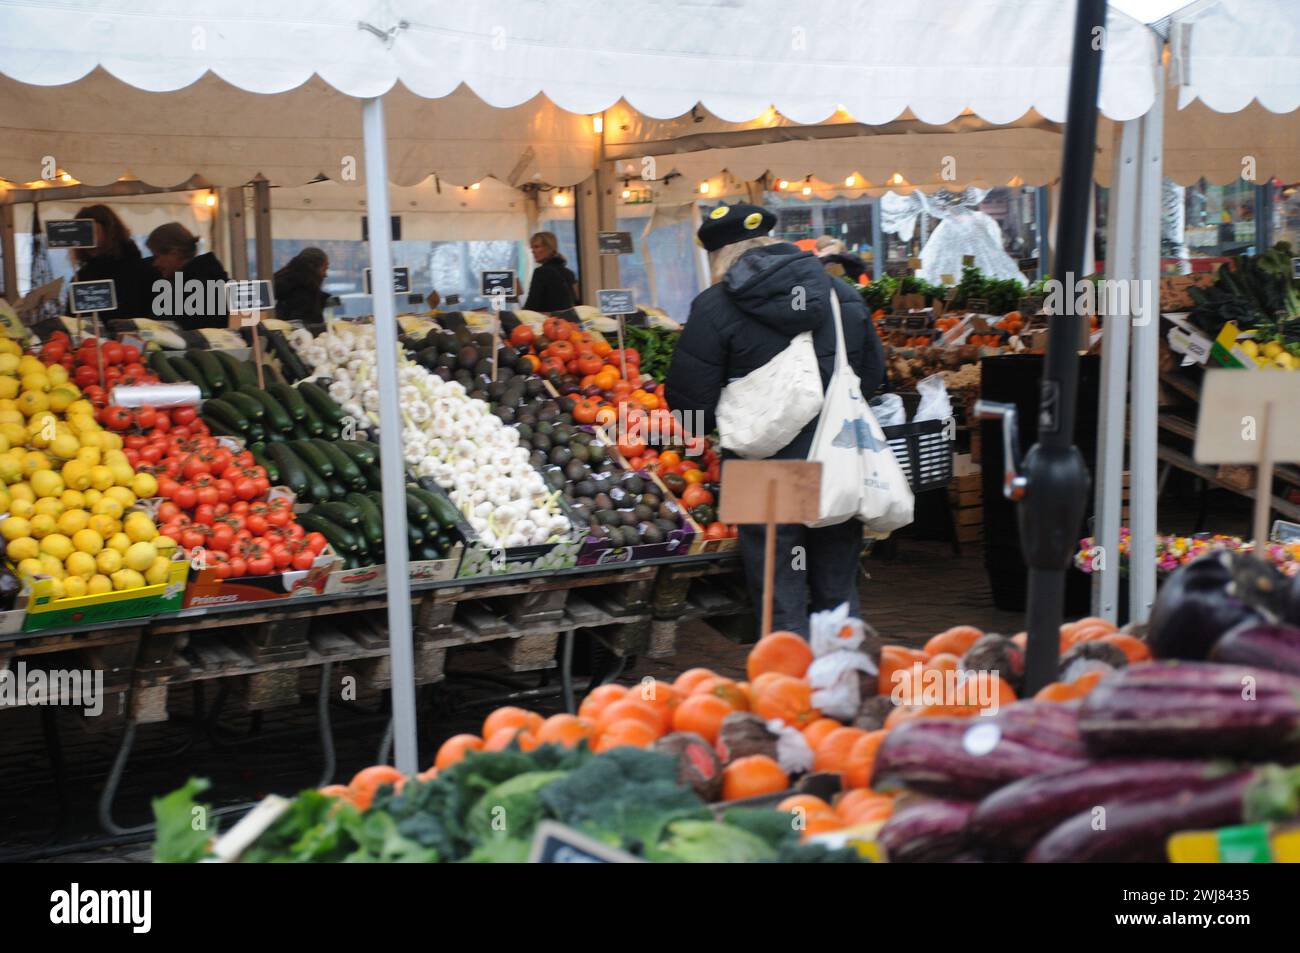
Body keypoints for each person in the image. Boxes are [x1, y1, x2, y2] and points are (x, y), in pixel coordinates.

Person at [666, 203, 886, 638]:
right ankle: (842, 688)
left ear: (718, 256)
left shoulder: (713, 306)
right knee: (838, 593)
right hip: (838, 458)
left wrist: (710, 427)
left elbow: (690, 403)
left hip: (761, 470)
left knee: (777, 597)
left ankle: (786, 694)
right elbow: (874, 378)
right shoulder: (842, 295)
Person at [70, 205, 157, 319]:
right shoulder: (81, 277)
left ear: (109, 230)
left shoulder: (142, 271)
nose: (85, 239)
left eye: (89, 231)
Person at [145, 222, 230, 328]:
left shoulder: (187, 290)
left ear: (174, 253)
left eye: (157, 256)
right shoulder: (214, 278)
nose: (155, 263)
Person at [522, 231, 578, 313]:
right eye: (532, 248)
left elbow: (531, 307)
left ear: (549, 248)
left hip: (548, 323)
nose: (533, 251)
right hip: (567, 323)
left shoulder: (541, 272)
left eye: (536, 247)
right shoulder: (569, 273)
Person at [274, 247, 330, 323]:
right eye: (324, 269)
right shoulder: (306, 293)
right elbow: (312, 325)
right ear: (314, 268)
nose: (325, 275)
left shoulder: (288, 286)